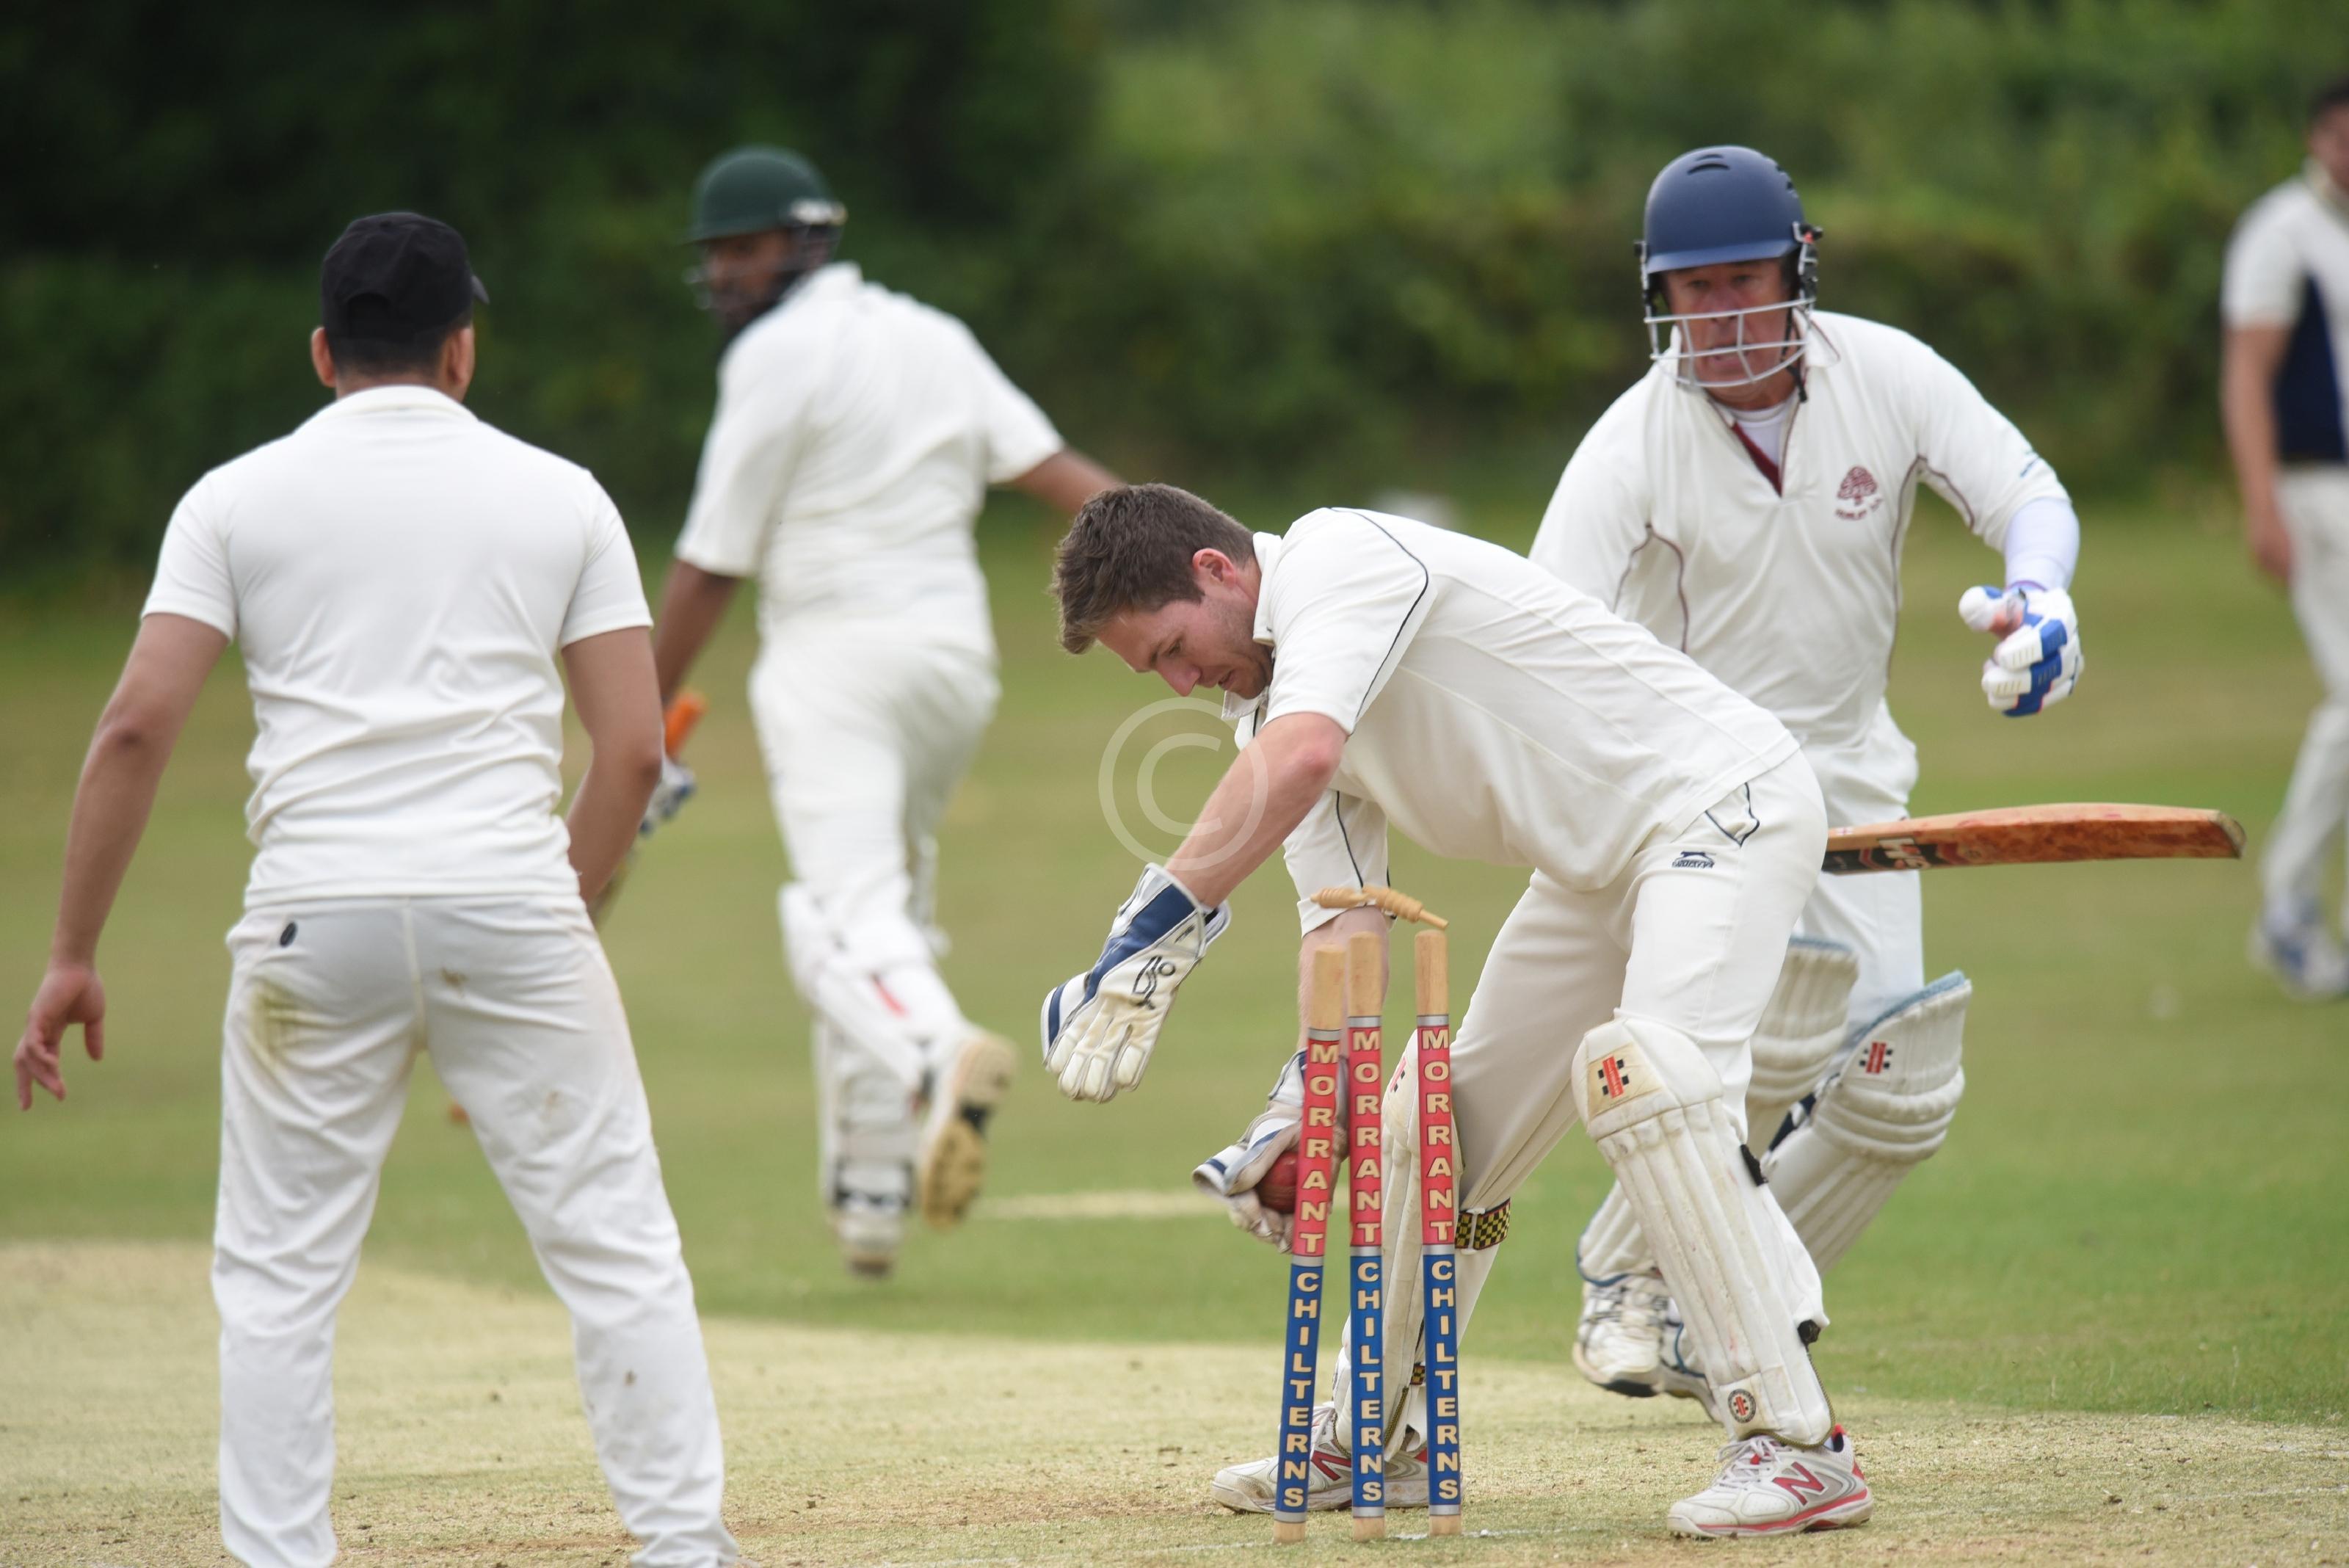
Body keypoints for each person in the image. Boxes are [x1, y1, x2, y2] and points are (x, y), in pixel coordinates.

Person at [11, 214, 740, 1567]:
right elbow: (634, 750)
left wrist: (71, 951)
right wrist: (560, 907)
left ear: (321, 352)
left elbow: (135, 726)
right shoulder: (565, 495)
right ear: (462, 350)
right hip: (511, 905)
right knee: (616, 1245)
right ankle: (684, 1546)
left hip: (311, 919)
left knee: (279, 1280)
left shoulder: (231, 500)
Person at [1042, 483, 1870, 1539]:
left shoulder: (1337, 557)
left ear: (1217, 571)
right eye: (1153, 672)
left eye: (1171, 648)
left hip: (1718, 806)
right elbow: (1343, 924)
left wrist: (1152, 929)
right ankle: (1375, 1435)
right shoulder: (1265, 711)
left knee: (1650, 1083)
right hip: (1592, 870)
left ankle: (1796, 1445)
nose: (1177, 682)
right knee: (1428, 1129)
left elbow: (1305, 754)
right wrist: (1308, 1106)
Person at [1528, 146, 2085, 1407]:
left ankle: (1694, 1312)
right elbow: (1545, 632)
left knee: (1905, 1089)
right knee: (1753, 1051)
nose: (1723, 314)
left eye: (1745, 280)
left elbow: (2028, 494)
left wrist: (2041, 598)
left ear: (1798, 267)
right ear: (1660, 295)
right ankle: (1630, 1275)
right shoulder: (1629, 445)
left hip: (1852, 771)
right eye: (1695, 290)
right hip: (1698, 787)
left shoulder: (1886, 375)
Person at [647, 146, 1120, 1278]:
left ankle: (937, 1054)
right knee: (883, 915)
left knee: (833, 918)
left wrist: (635, 717)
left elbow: (711, 563)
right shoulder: (933, 335)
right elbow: (1062, 476)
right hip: (955, 668)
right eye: (718, 253)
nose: (729, 271)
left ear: (806, 240)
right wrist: (1219, 561)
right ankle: (869, 1197)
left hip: (834, 663)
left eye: (747, 248)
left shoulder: (771, 357)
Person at [2223, 76, 2349, 1001]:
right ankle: (2286, 909)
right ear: (2315, 139)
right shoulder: (2283, 232)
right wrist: (2259, 501)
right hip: (2314, 492)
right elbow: (2246, 371)